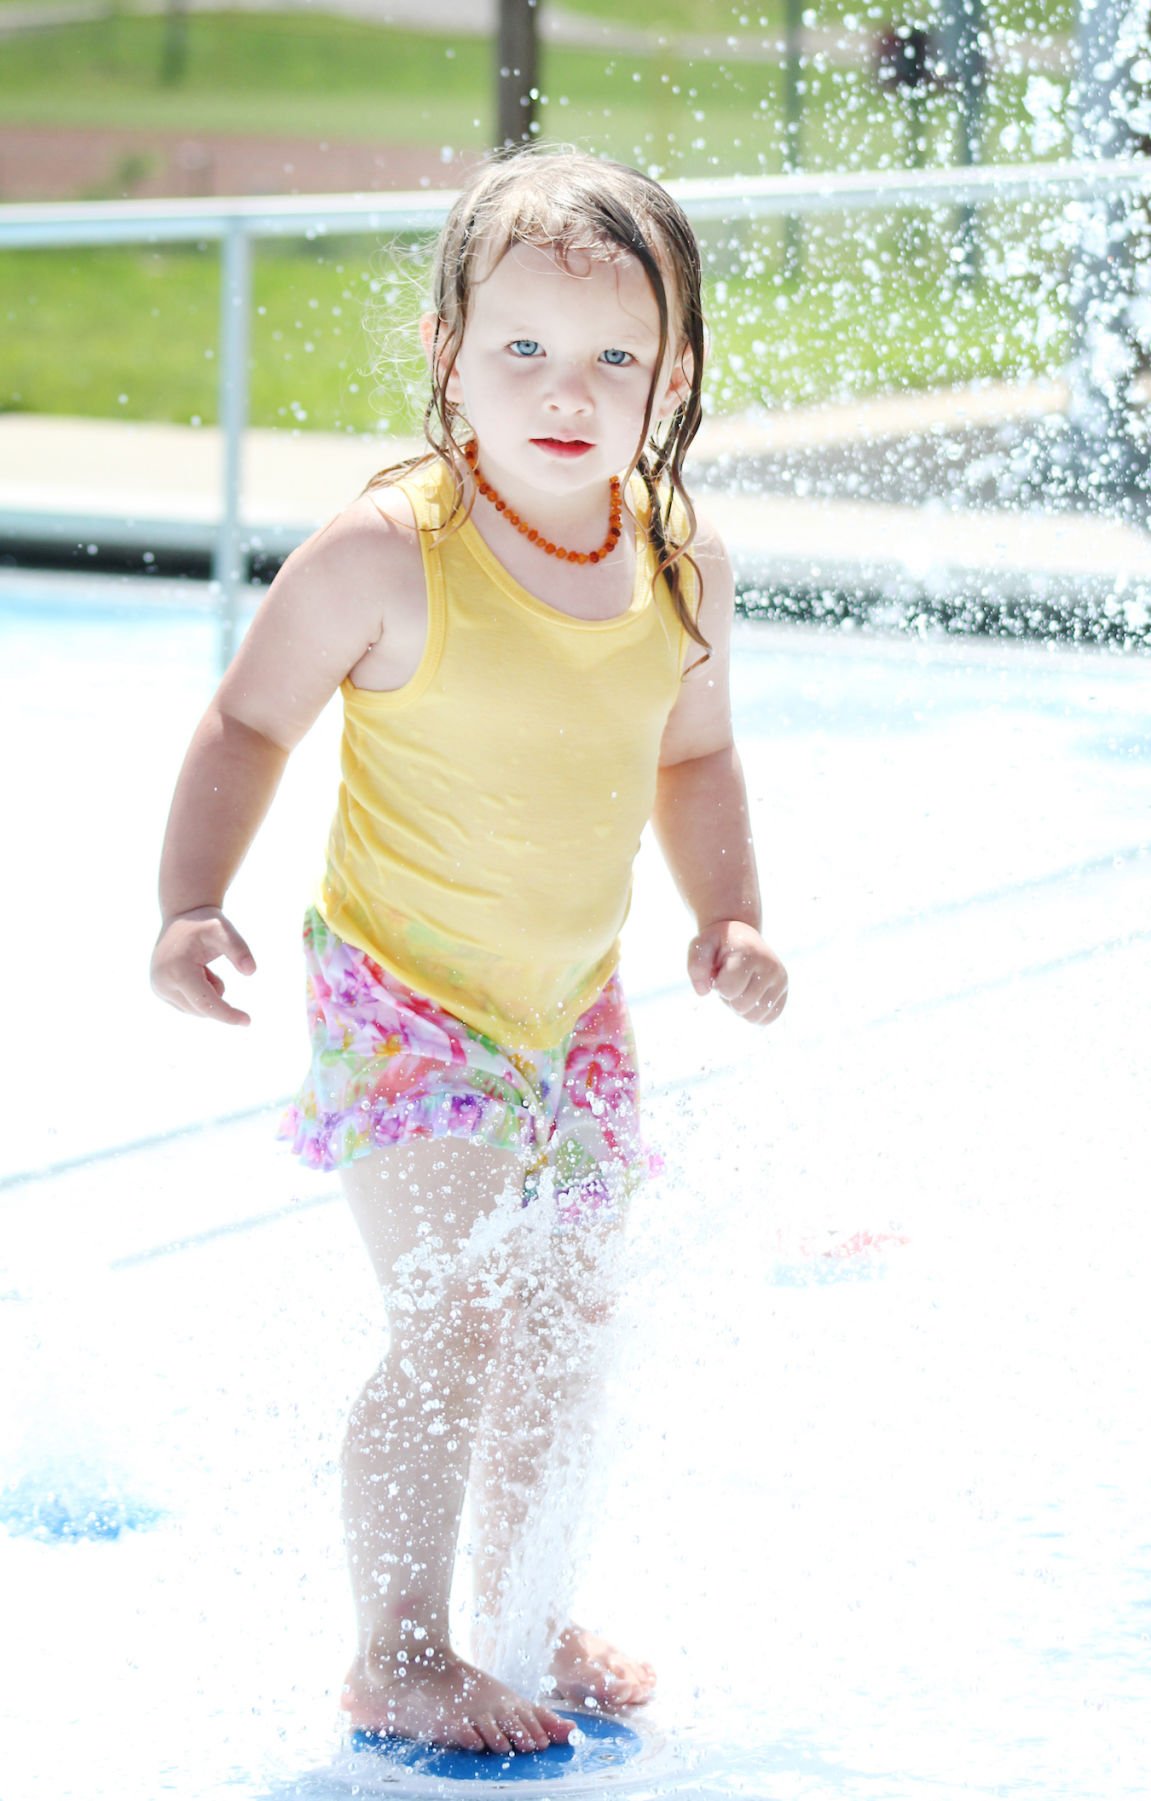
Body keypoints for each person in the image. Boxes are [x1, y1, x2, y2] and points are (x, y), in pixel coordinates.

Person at [150, 144, 788, 1758]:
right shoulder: (388, 555)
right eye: (521, 350)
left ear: (679, 371)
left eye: (612, 358)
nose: (564, 391)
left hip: (574, 1006)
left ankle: (523, 1601)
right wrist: (190, 899)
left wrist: (731, 916)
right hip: (406, 995)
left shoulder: (675, 561)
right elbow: (245, 722)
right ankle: (401, 1646)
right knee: (455, 1317)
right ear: (447, 352)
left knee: (573, 1310)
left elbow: (693, 758)